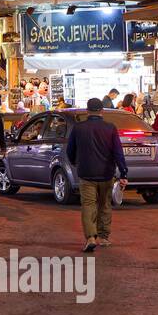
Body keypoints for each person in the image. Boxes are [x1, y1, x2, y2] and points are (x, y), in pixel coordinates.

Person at [66, 98, 128, 252]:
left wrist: (75, 162)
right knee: (105, 205)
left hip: (86, 173)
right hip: (106, 174)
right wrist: (123, 173)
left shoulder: (78, 128)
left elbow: (70, 150)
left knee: (88, 205)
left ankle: (90, 237)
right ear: (102, 111)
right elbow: (118, 152)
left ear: (87, 111)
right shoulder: (110, 128)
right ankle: (104, 237)